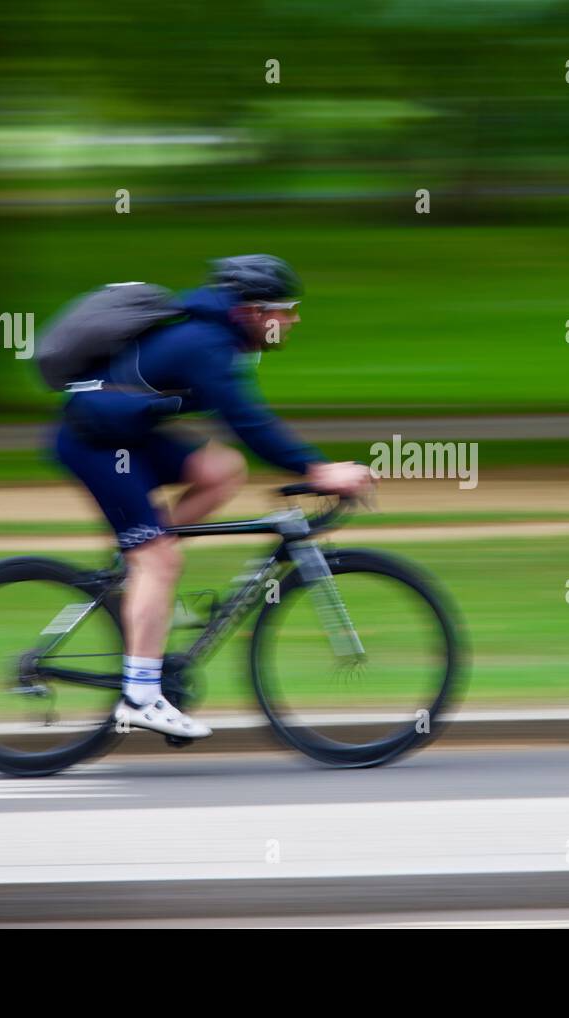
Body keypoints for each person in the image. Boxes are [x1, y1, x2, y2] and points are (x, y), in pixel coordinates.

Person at [53, 254, 374, 739]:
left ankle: (145, 559)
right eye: (285, 309)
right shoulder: (205, 343)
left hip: (125, 436)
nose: (294, 319)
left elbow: (240, 430)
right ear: (252, 311)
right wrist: (319, 469)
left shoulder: (221, 339)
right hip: (93, 443)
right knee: (158, 560)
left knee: (222, 469)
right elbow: (249, 422)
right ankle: (140, 697)